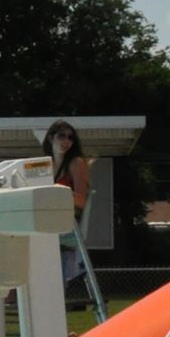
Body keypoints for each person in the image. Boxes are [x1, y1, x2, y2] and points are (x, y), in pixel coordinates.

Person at [46, 120, 110, 321]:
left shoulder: (76, 163)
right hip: (49, 221)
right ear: (51, 138)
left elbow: (81, 199)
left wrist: (57, 191)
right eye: (61, 136)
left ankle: (11, 292)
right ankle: (9, 290)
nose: (66, 141)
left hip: (67, 224)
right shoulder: (44, 165)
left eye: (70, 137)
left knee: (21, 233)